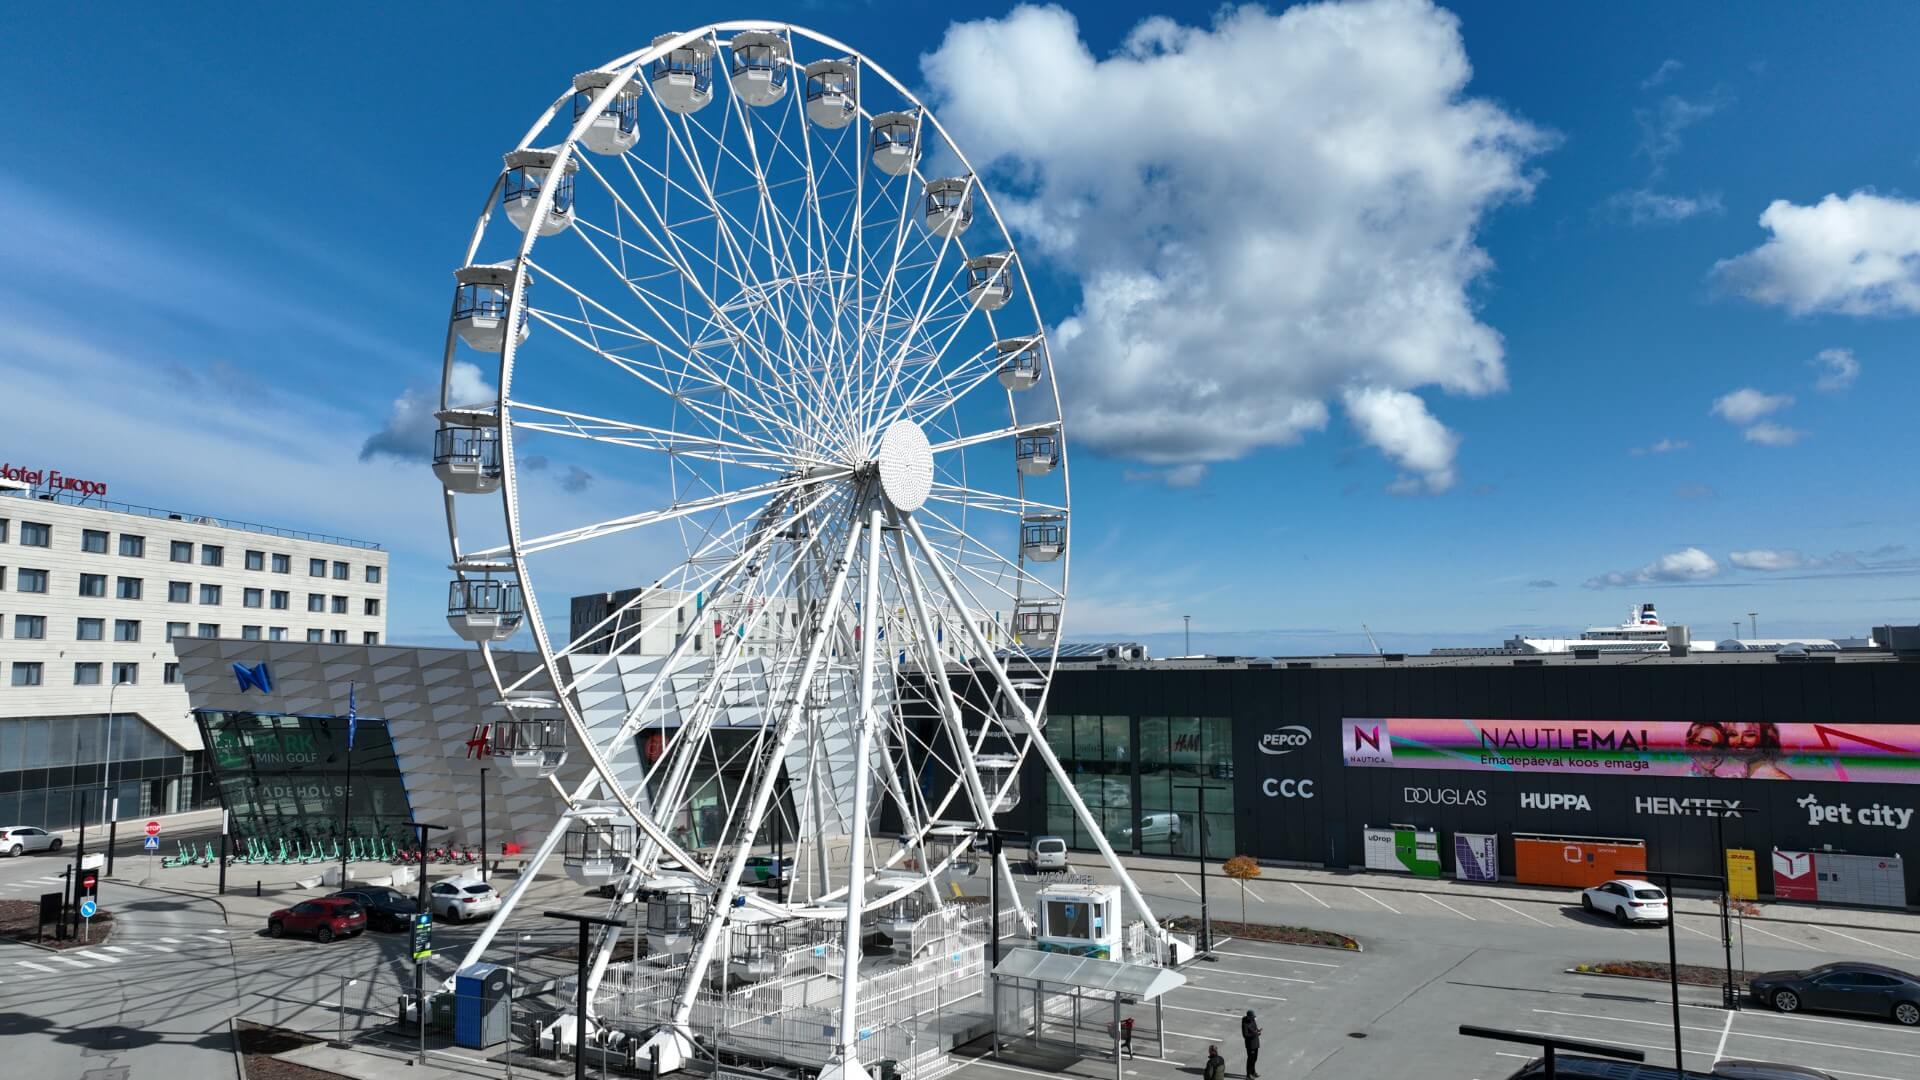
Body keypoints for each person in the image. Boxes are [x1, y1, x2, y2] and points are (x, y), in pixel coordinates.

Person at [1241, 1009, 1262, 1078]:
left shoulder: (1252, 1020)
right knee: (1250, 1059)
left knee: (1255, 1059)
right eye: (1252, 1017)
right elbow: (1245, 1035)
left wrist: (1258, 1030)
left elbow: (1255, 1028)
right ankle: (1248, 1074)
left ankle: (1253, 1072)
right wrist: (1255, 1034)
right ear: (1249, 1017)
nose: (1253, 1018)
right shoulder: (1245, 1024)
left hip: (1255, 1043)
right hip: (1250, 1045)